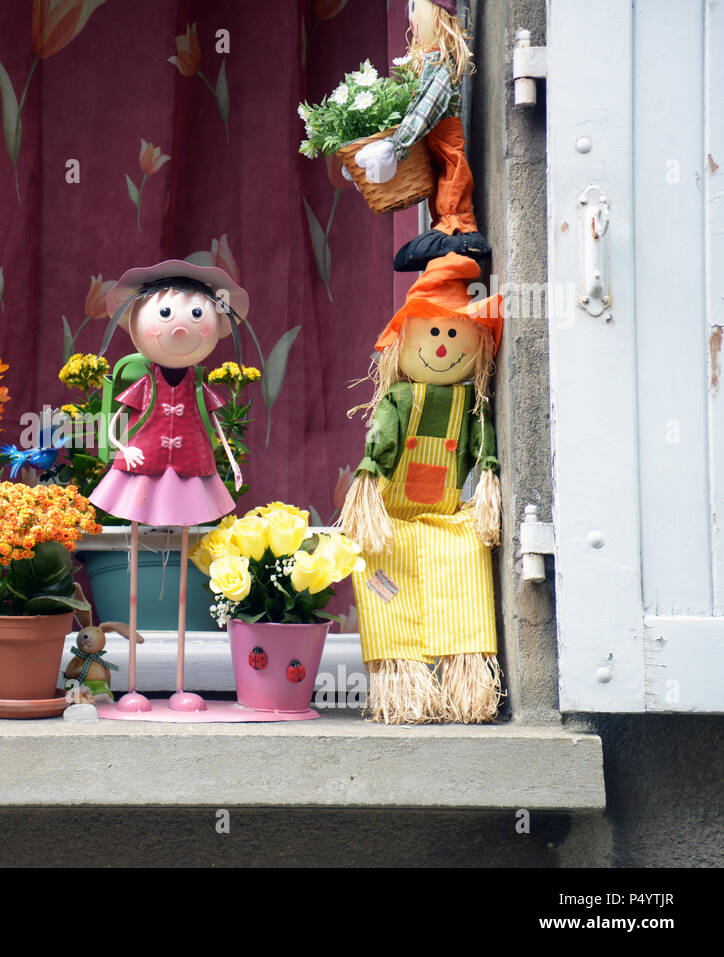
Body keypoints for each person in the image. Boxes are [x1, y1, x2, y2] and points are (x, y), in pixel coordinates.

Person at [341, 252, 503, 723]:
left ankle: (467, 685)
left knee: (465, 571)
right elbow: (380, 446)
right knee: (381, 583)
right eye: (433, 332)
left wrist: (486, 490)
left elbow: (483, 452)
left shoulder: (472, 403)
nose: (441, 344)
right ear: (404, 342)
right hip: (390, 525)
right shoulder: (398, 398)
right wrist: (368, 484)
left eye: (453, 334)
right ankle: (405, 686)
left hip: (449, 520)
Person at [92, 261, 247, 712]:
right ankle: (134, 685)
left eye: (197, 316)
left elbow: (217, 429)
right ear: (138, 326)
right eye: (165, 315)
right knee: (136, 554)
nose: (181, 326)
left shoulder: (200, 385)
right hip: (144, 470)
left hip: (192, 468)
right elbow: (115, 425)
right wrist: (125, 447)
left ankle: (181, 683)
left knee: (182, 569)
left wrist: (231, 462)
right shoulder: (143, 381)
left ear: (214, 327)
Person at [354, 0, 491, 271]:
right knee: (440, 176)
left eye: (418, 9)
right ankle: (444, 224)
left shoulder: (442, 64)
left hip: (445, 135)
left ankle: (459, 224)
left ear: (440, 16)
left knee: (452, 171)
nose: (413, 19)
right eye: (412, 10)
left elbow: (426, 109)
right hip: (432, 142)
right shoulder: (425, 63)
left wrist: (397, 143)